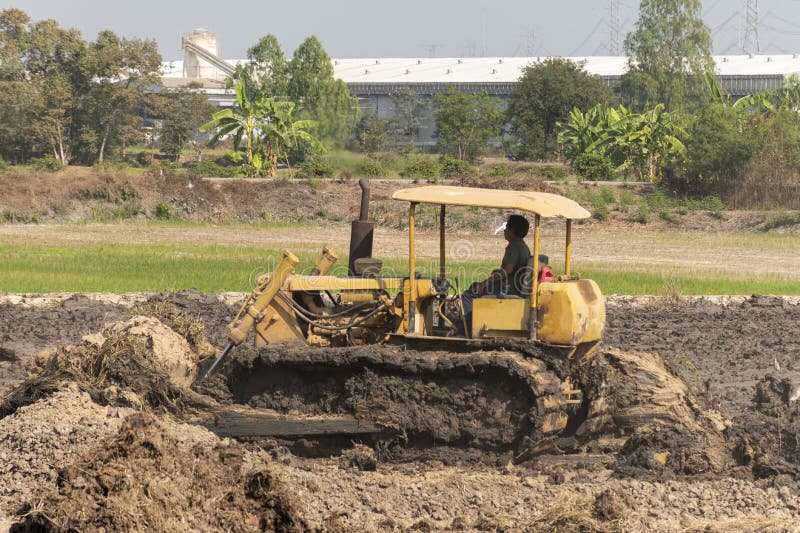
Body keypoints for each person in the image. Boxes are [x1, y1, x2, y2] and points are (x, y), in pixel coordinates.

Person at [459, 214, 532, 334]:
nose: (504, 230)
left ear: (512, 230)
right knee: (474, 286)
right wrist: (497, 273)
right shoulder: (523, 246)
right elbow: (511, 270)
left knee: (469, 295)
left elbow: (507, 271)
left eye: (507, 227)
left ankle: (466, 331)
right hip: (514, 286)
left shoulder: (513, 246)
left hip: (508, 289)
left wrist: (484, 284)